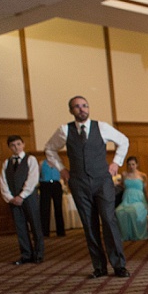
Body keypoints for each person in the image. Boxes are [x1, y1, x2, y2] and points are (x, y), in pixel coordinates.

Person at [45, 95, 130, 279]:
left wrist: (116, 162)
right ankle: (99, 267)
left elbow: (123, 141)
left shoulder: (102, 127)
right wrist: (62, 169)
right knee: (89, 224)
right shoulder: (64, 130)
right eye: (77, 106)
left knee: (108, 220)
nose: (82, 109)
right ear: (71, 111)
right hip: (79, 182)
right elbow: (49, 149)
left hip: (102, 181)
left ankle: (119, 265)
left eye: (85, 105)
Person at [0, 135, 44, 264]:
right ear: (9, 147)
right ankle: (26, 254)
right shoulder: (6, 163)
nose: (16, 147)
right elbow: (3, 182)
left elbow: (32, 179)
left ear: (23, 144)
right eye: (13, 145)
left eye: (18, 144)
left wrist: (22, 195)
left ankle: (38, 254)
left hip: (29, 198)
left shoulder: (31, 159)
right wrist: (10, 198)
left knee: (35, 226)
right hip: (14, 200)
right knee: (20, 228)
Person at [115, 156, 148, 241]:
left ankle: (136, 234)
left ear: (137, 165)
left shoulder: (142, 175)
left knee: (132, 211)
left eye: (133, 164)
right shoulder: (124, 174)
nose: (131, 166)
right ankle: (126, 235)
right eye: (129, 164)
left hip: (139, 200)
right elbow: (123, 185)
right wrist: (117, 184)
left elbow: (146, 191)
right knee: (119, 211)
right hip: (127, 199)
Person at [39, 158, 65, 237]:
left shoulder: (58, 163)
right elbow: (38, 174)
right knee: (45, 209)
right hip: (45, 185)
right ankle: (44, 232)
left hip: (56, 185)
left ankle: (60, 231)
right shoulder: (41, 163)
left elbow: (62, 174)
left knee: (58, 208)